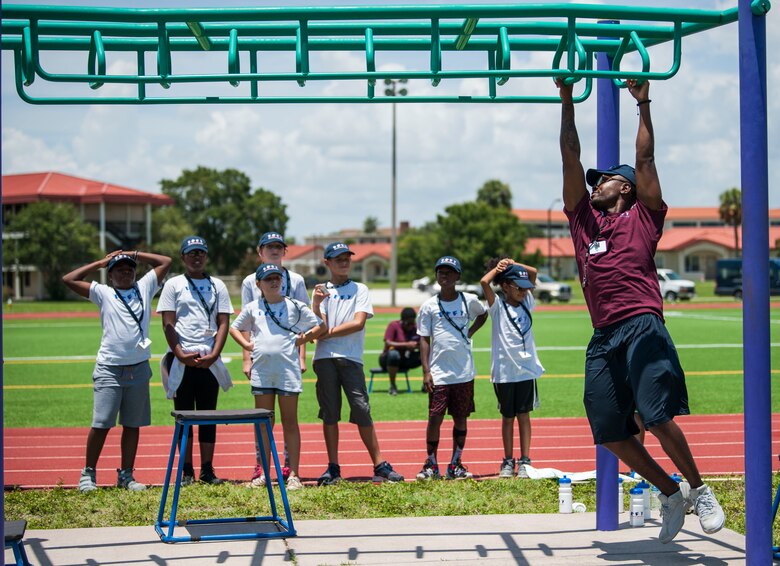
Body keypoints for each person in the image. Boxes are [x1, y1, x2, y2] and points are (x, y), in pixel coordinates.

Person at [556, 77, 724, 543]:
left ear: (626, 189)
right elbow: (571, 157)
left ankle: (700, 488)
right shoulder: (583, 222)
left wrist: (643, 102)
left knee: (655, 415)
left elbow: (646, 159)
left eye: (605, 179)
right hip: (604, 334)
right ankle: (671, 493)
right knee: (609, 431)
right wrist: (567, 101)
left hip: (642, 325)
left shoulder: (643, 216)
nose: (595, 184)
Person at [63, 249, 172, 493]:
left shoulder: (144, 288)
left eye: (129, 268)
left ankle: (126, 475)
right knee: (101, 423)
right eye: (119, 269)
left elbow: (165, 261)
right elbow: (69, 279)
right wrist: (101, 262)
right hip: (109, 368)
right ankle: (88, 474)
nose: (125, 272)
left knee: (133, 424)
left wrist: (135, 254)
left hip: (139, 368)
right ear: (110, 275)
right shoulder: (103, 292)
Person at [310, 242, 404, 485]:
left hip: (351, 358)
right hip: (324, 359)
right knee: (330, 414)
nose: (344, 262)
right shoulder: (319, 290)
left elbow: (358, 322)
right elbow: (314, 324)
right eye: (338, 258)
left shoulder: (360, 288)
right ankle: (333, 467)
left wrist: (327, 332)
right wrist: (318, 305)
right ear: (327, 263)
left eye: (347, 258)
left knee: (362, 410)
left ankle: (379, 464)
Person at [230, 263, 326, 491]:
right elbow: (235, 328)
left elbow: (319, 326)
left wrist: (302, 340)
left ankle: (294, 474)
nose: (274, 282)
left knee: (290, 423)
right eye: (268, 279)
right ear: (258, 284)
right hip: (262, 372)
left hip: (287, 372)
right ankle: (264, 472)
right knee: (264, 424)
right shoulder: (253, 307)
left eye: (277, 278)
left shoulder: (294, 305)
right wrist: (246, 344)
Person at [157, 236, 234, 485]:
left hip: (209, 359)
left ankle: (207, 470)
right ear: (183, 257)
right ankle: (187, 470)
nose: (196, 257)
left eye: (201, 252)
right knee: (184, 416)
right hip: (183, 358)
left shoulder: (218, 285)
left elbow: (224, 322)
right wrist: (179, 352)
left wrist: (214, 354)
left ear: (206, 256)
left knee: (208, 415)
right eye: (191, 253)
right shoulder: (174, 284)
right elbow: (168, 322)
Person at [240, 231, 309, 485]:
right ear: (260, 252)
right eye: (269, 247)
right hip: (263, 357)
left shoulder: (297, 279)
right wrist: (246, 358)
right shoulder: (250, 282)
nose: (274, 250)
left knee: (290, 419)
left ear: (284, 251)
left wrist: (302, 356)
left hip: (288, 358)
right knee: (263, 418)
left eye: (279, 246)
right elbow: (246, 322)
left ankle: (292, 469)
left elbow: (304, 323)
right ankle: (262, 469)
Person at [416, 256, 487, 480]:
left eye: (449, 272)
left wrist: (471, 332)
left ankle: (456, 463)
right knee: (435, 418)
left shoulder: (469, 300)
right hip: (438, 373)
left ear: (458, 276)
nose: (444, 275)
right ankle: (431, 464)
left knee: (461, 418)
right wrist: (426, 371)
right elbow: (424, 339)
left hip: (464, 372)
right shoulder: (428, 306)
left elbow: (483, 314)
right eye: (440, 272)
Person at [480, 258, 544, 479]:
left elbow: (533, 271)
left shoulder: (527, 303)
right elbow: (484, 283)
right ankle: (508, 460)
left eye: (526, 289)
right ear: (505, 286)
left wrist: (515, 263)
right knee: (508, 417)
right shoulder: (497, 306)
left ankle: (525, 460)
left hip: (526, 371)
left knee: (524, 415)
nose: (524, 292)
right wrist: (498, 270)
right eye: (519, 287)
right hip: (504, 372)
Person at [379, 307, 421, 395]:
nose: (410, 326)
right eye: (408, 323)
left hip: (406, 358)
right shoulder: (394, 325)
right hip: (387, 359)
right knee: (394, 354)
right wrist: (406, 345)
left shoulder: (415, 328)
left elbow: (422, 343)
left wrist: (417, 346)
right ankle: (393, 385)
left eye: (412, 323)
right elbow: (388, 342)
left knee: (426, 353)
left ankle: (427, 384)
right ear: (402, 320)